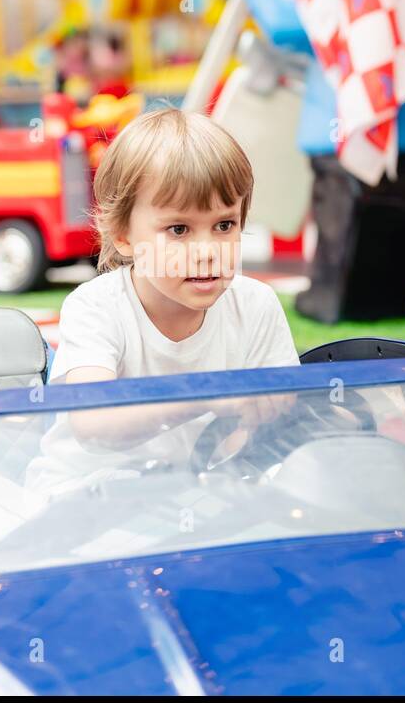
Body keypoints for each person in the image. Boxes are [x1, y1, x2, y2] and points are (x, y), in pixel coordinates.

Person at [47, 106, 299, 450]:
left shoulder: (256, 305)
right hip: (94, 480)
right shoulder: (96, 308)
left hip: (207, 479)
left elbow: (282, 416)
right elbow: (92, 423)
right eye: (179, 229)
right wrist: (205, 396)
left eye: (224, 225)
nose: (206, 252)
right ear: (122, 235)